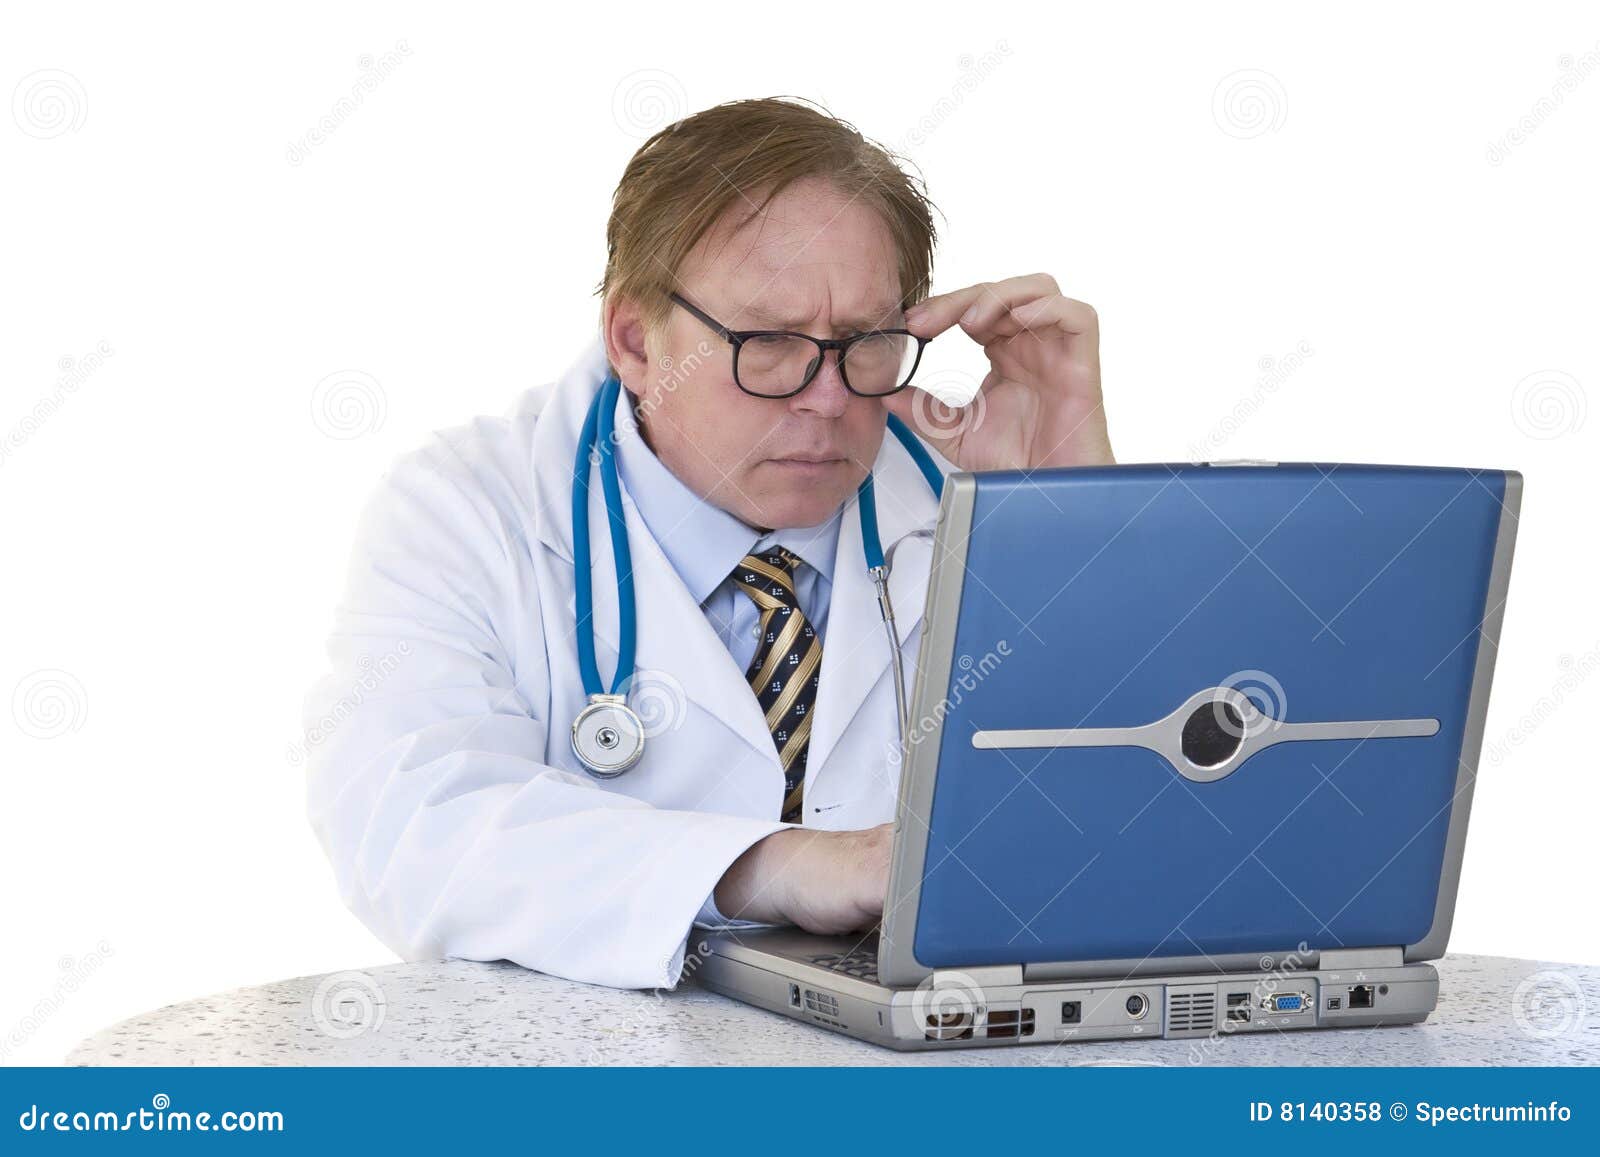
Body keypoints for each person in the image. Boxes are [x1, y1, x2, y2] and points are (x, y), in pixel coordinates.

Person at [303, 96, 1113, 989]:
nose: (829, 399)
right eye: (768, 342)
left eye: (864, 341)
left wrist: (1071, 520)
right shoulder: (467, 508)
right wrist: (776, 864)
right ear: (636, 341)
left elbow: (1153, 824)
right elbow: (412, 825)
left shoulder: (970, 486)